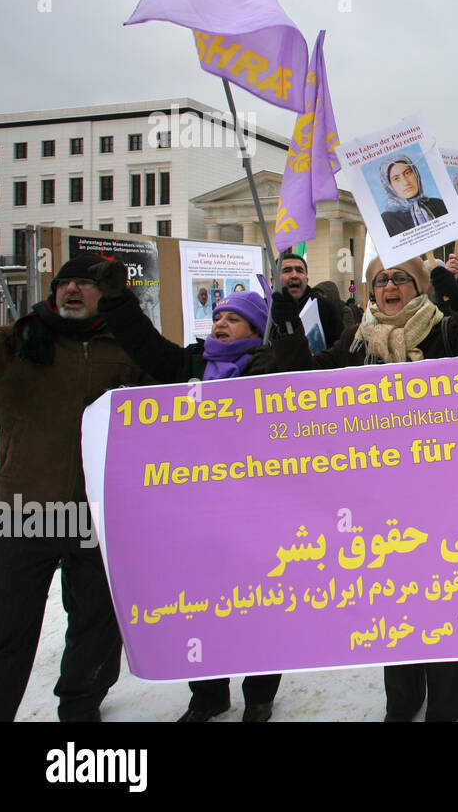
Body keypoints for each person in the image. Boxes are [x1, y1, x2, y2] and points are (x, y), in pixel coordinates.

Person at [271, 254, 458, 722]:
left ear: (419, 288)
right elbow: (304, 383)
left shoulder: (445, 331)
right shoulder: (357, 341)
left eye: (401, 278)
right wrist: (286, 332)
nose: (389, 286)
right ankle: (401, 701)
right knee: (392, 602)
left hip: (443, 493)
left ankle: (448, 701)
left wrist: (457, 298)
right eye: (381, 279)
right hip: (377, 498)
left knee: (442, 598)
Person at [94, 264, 281, 722]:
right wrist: (119, 302)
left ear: (255, 329)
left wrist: (284, 358)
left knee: (261, 607)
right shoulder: (191, 363)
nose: (220, 323)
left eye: (233, 318)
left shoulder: (271, 368)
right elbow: (144, 345)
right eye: (217, 315)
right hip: (196, 513)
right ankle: (208, 695)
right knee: (203, 606)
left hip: (257, 510)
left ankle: (259, 696)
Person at [0, 253, 149, 721]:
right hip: (23, 507)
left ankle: (81, 703)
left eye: (87, 283)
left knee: (97, 620)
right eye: (67, 283)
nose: (74, 290)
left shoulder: (127, 347)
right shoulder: (17, 341)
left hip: (98, 512)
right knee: (7, 625)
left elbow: (171, 397)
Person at [277, 250, 344, 349]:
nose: (294, 275)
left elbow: (339, 348)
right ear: (273, 280)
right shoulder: (265, 309)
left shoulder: (325, 307)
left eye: (299, 270)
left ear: (307, 279)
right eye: (287, 270)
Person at [380, 156, 448, 237]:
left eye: (407, 173)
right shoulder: (387, 220)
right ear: (389, 186)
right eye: (396, 179)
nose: (405, 182)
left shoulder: (439, 204)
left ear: (416, 174)